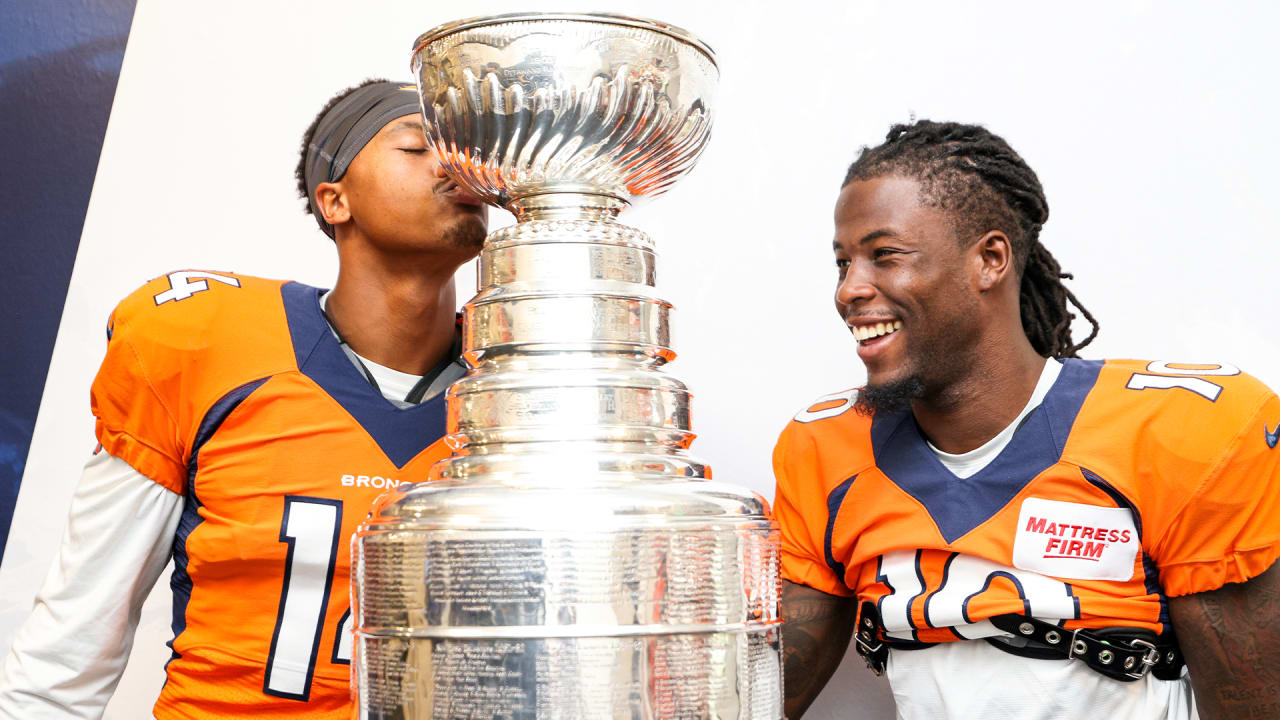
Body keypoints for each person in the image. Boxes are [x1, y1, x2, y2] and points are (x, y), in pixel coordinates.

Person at [0, 79, 487, 718]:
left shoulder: (528, 386)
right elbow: (74, 641)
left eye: (464, 151)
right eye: (418, 147)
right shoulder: (207, 344)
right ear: (335, 201)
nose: (454, 166)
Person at [773, 120, 1280, 719]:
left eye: (885, 256)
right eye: (843, 264)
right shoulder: (825, 448)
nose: (849, 290)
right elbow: (756, 698)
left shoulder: (1182, 432)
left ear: (990, 259)